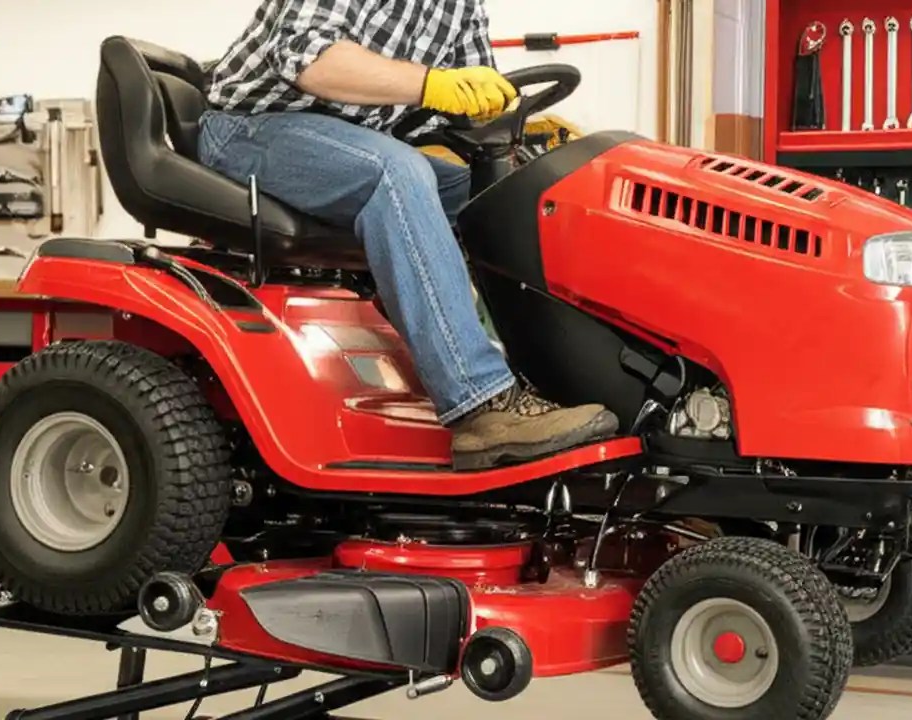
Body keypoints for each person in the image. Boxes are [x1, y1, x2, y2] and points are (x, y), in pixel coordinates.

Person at [199, 0, 618, 469]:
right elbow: (308, 58)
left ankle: (573, 377)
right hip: (250, 130)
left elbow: (468, 95)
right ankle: (481, 405)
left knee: (508, 195)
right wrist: (429, 84)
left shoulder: (461, 6)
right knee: (395, 172)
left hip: (345, 141)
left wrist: (512, 128)